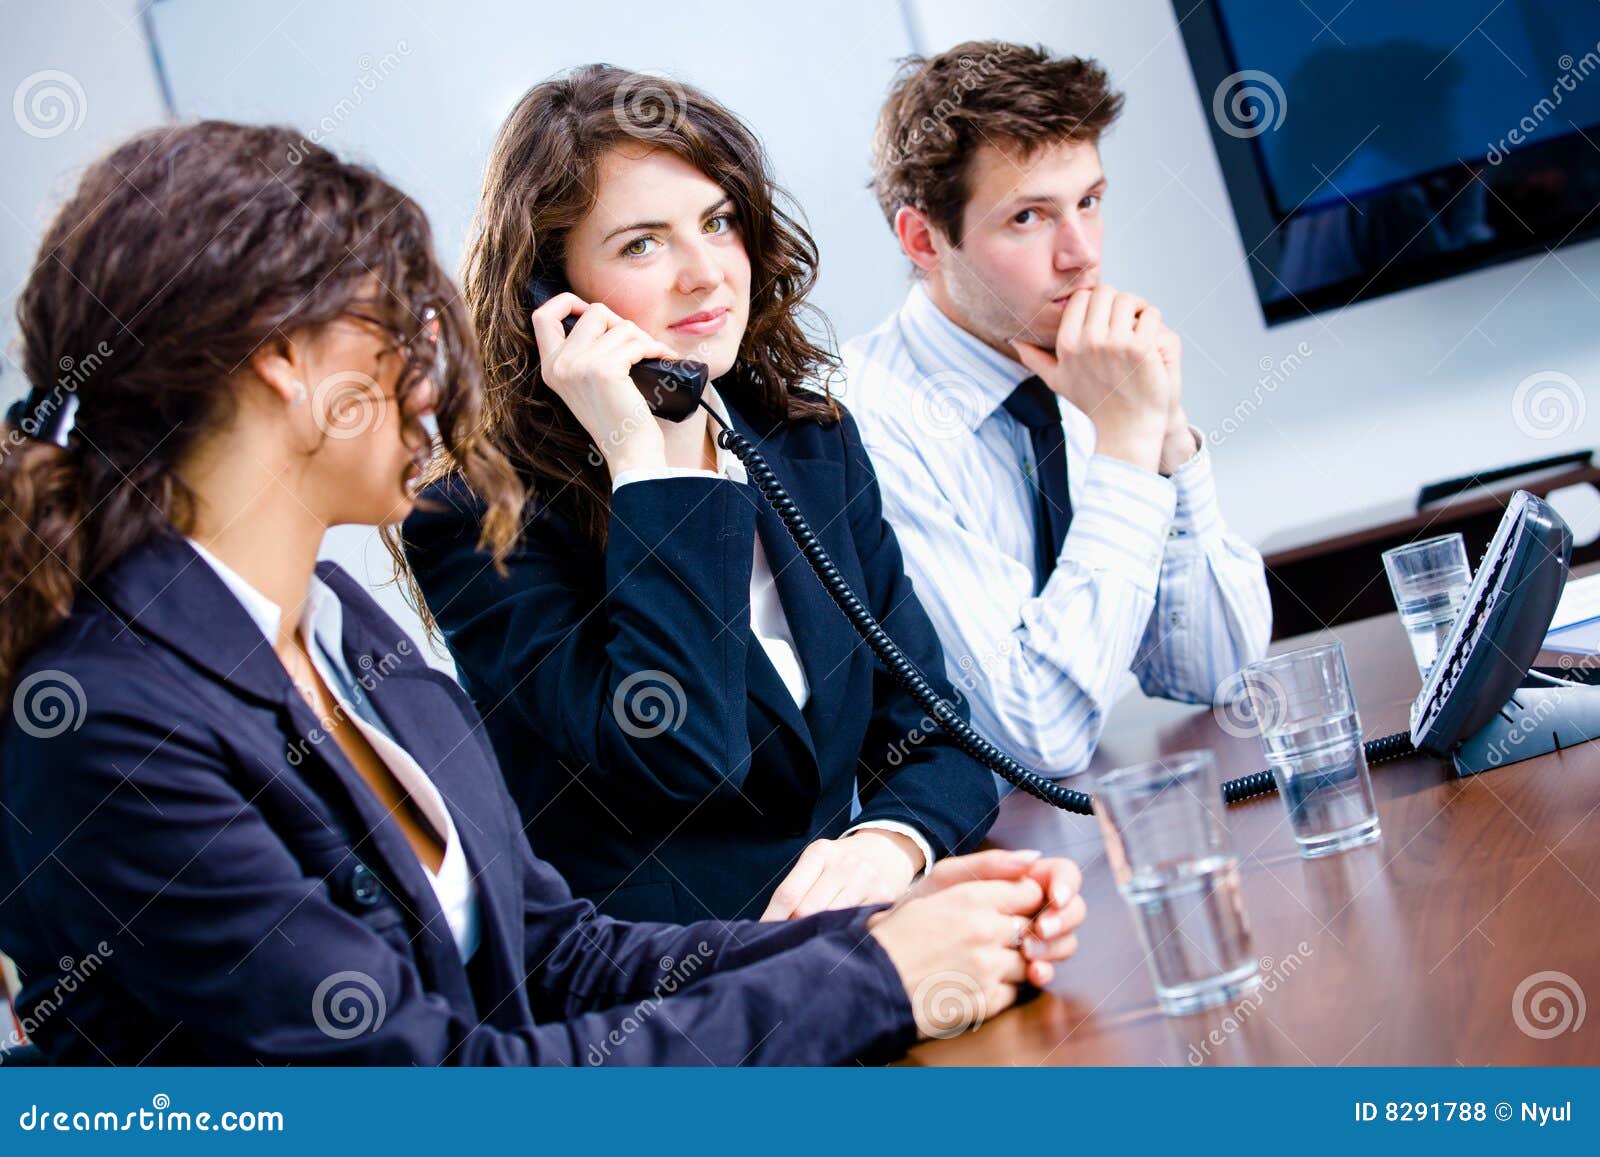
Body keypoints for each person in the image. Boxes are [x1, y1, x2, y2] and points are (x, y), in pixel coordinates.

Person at [0, 122, 1085, 1065]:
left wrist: (885, 927)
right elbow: (427, 1083)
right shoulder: (112, 724)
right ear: (284, 357)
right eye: (400, 329)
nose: (436, 377)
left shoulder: (332, 624)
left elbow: (561, 954)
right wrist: (876, 977)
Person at [399, 66, 999, 925]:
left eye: (719, 223)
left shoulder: (808, 443)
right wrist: (653, 467)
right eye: (643, 243)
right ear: (550, 294)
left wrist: (889, 843)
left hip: (860, 957)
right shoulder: (477, 517)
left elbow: (942, 739)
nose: (706, 274)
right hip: (669, 1010)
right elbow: (681, 755)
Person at [843, 42, 1273, 783]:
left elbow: (1221, 673)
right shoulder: (867, 425)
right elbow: (1034, 737)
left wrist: (1165, 436)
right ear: (924, 240)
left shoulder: (1091, 368)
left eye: (1089, 202)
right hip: (958, 862)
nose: (1081, 255)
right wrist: (1128, 446)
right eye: (1029, 217)